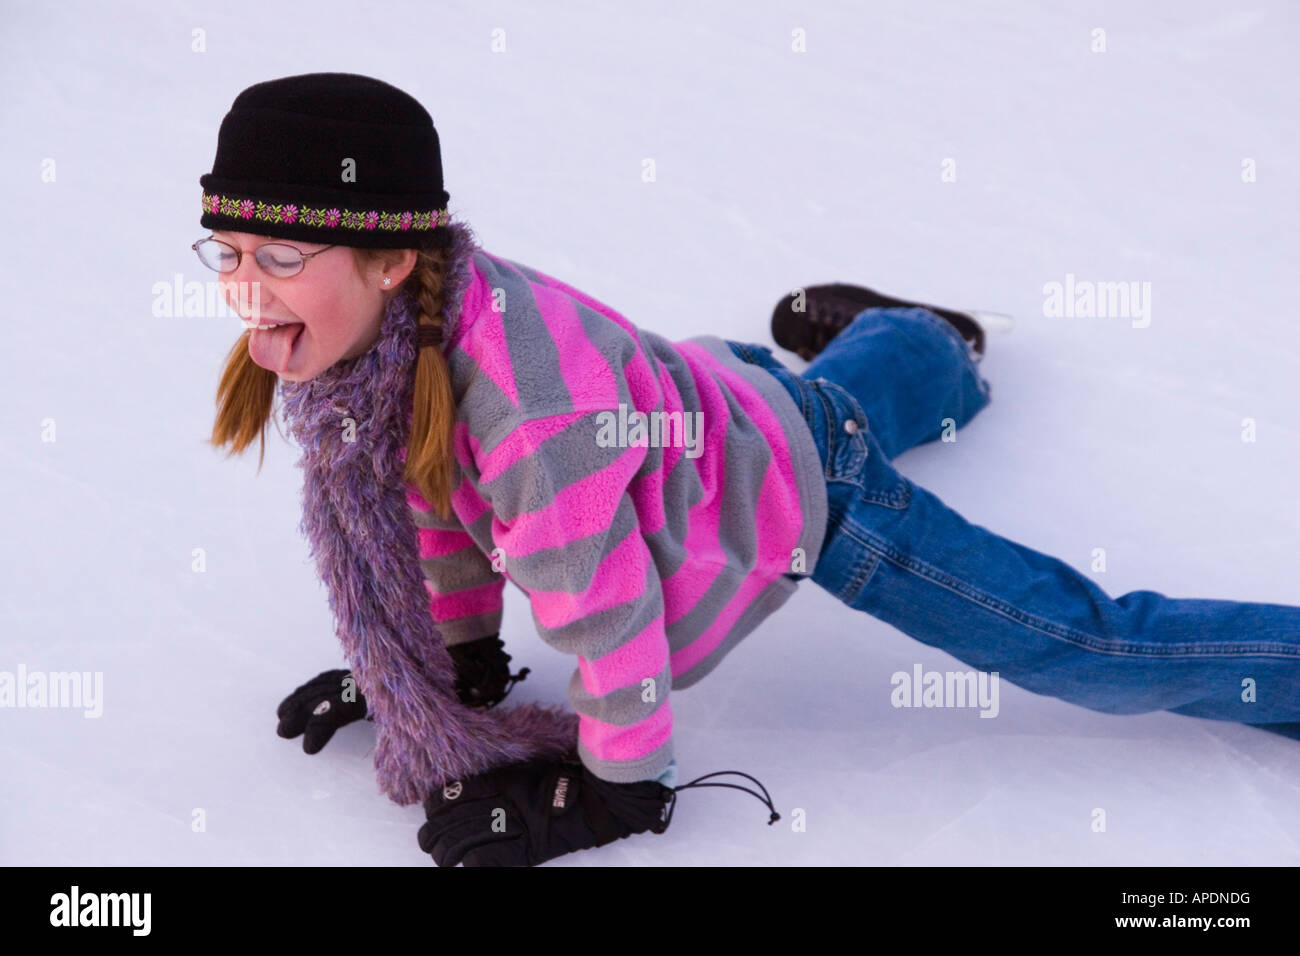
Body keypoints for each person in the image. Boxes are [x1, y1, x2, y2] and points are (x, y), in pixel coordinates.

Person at [200, 73, 1299, 868]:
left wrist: (614, 788)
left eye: (283, 258)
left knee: (1084, 641)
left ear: (395, 260)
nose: (248, 289)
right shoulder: (402, 343)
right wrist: (441, 670)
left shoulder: (532, 421)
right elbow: (440, 498)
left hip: (806, 492)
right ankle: (913, 338)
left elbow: (609, 607)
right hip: (713, 399)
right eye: (231, 252)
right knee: (822, 400)